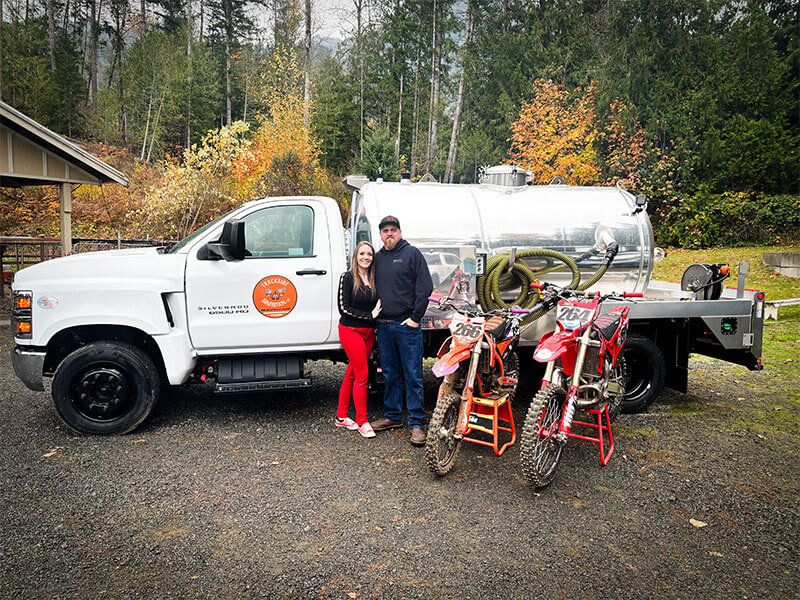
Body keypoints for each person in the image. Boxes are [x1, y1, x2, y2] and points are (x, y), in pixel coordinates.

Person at [371, 216, 433, 446]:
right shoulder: (377, 258)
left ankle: (417, 423)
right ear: (380, 235)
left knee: (413, 375)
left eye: (393, 230)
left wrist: (415, 318)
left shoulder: (412, 254)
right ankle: (393, 416)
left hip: (406, 326)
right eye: (385, 230)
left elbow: (425, 286)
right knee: (389, 373)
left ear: (400, 232)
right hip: (384, 326)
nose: (389, 234)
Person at [335, 241, 382, 438]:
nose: (366, 257)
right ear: (355, 256)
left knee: (353, 372)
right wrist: (369, 316)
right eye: (362, 253)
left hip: (368, 332)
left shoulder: (373, 278)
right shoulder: (347, 277)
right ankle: (363, 421)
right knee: (362, 373)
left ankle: (341, 416)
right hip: (350, 330)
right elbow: (343, 308)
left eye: (369, 254)